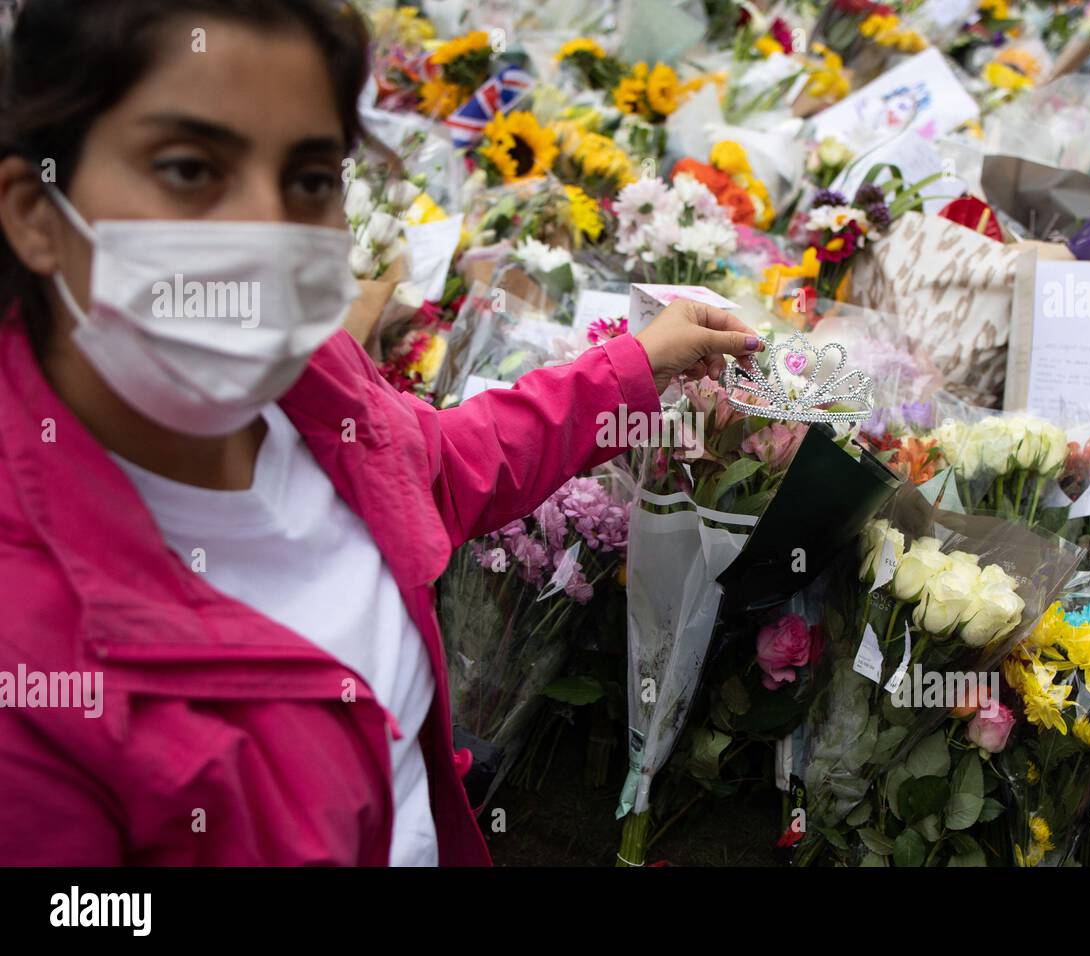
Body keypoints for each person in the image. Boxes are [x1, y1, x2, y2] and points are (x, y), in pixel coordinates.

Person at [0, 0, 763, 865]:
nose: (266, 230)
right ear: (35, 211)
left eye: (311, 177)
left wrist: (631, 370)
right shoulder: (32, 686)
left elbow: (434, 465)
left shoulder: (309, 383)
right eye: (188, 168)